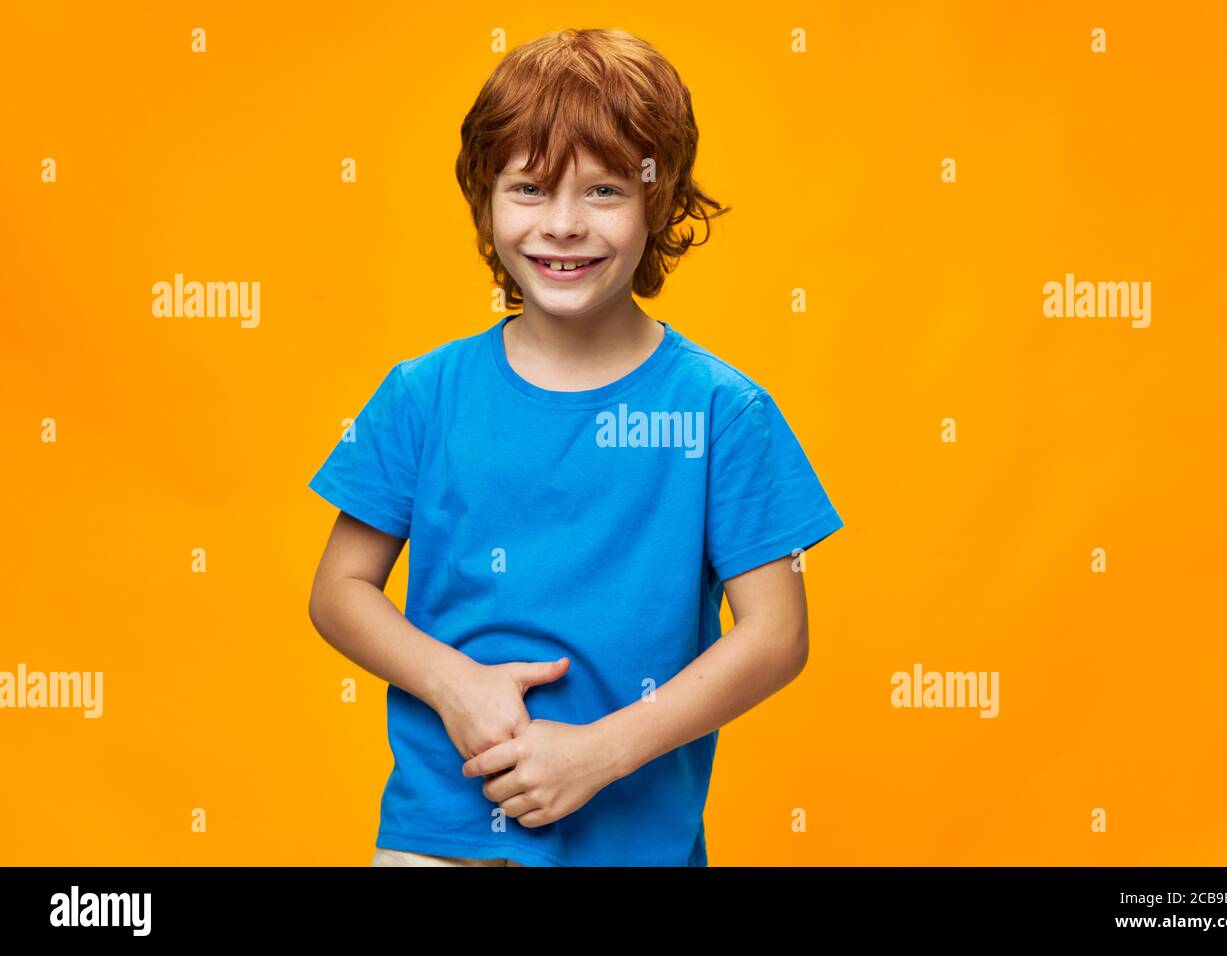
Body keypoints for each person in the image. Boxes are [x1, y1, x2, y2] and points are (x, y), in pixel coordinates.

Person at [307, 27, 844, 867]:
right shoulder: (423, 394)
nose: (562, 225)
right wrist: (456, 686)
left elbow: (776, 636)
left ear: (658, 203)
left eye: (602, 192)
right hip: (441, 838)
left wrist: (601, 752)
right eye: (528, 189)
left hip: (638, 846)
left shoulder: (722, 412)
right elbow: (339, 590)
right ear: (485, 201)